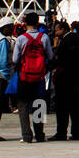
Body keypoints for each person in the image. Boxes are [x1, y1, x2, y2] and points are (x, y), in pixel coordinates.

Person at [13, 13, 53, 144]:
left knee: (23, 105)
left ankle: (26, 135)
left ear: (25, 24)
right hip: (39, 76)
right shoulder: (44, 37)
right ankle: (40, 134)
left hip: (24, 76)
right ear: (37, 23)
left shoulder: (21, 38)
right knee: (39, 104)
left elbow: (15, 59)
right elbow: (50, 56)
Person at [51, 20, 79, 141]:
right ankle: (77, 132)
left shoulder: (66, 41)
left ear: (64, 29)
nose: (55, 32)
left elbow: (62, 59)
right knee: (75, 107)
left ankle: (61, 132)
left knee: (62, 107)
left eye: (57, 30)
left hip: (65, 78)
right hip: (76, 76)